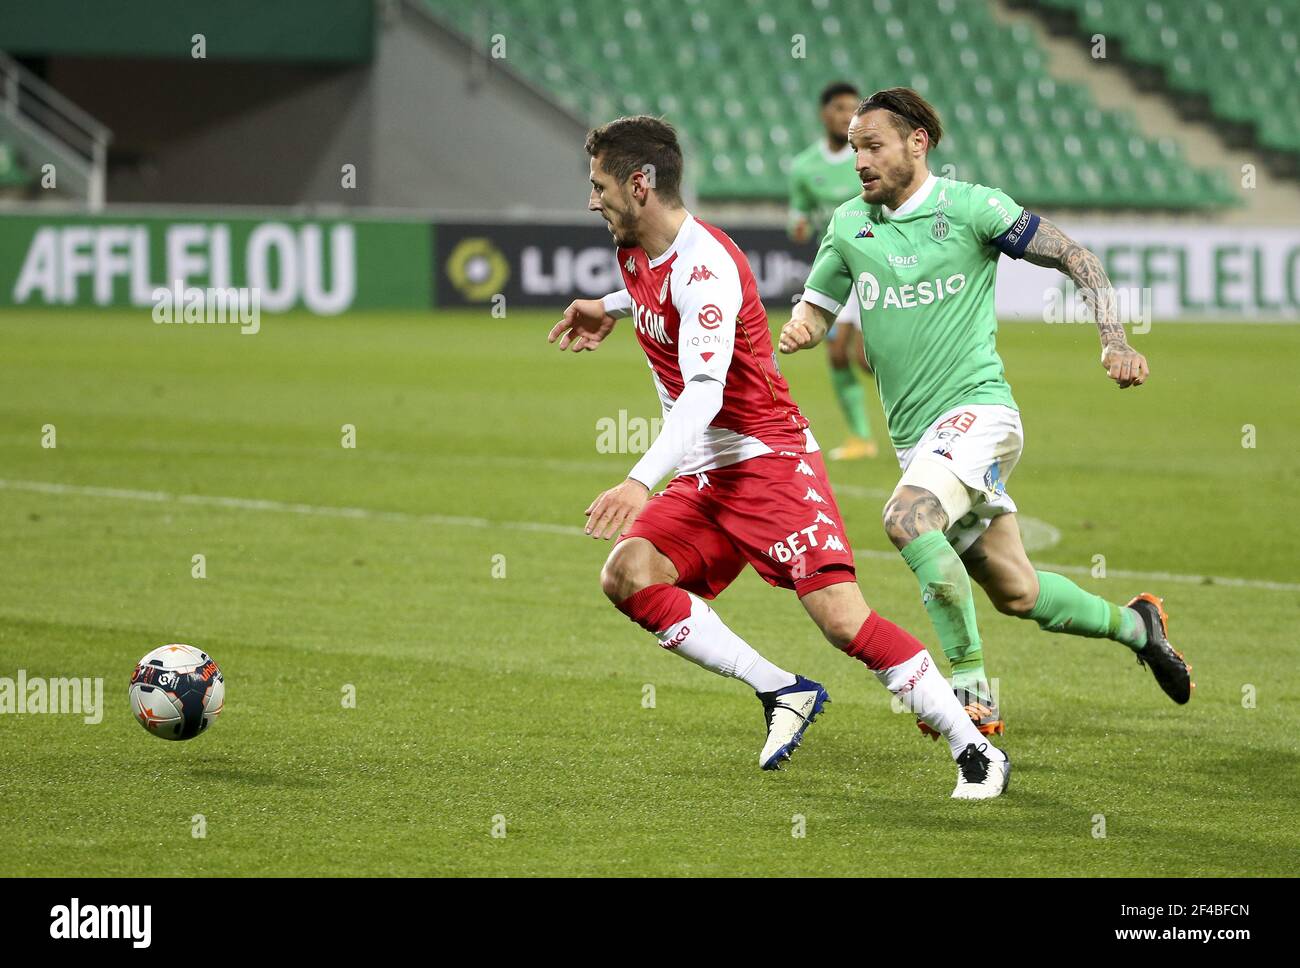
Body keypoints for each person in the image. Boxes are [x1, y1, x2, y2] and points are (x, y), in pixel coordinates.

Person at [548, 114, 1010, 798]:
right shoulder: (633, 248)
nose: (592, 200)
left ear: (639, 184)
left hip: (768, 461)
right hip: (709, 473)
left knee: (843, 622)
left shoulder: (706, 266)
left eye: (599, 185)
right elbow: (654, 291)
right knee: (628, 575)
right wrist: (610, 308)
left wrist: (639, 482)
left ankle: (974, 749)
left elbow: (704, 393)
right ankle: (781, 691)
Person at [779, 88, 1193, 739]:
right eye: (855, 147)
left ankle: (971, 690)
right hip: (921, 442)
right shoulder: (848, 225)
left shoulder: (973, 206)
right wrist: (802, 328)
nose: (860, 160)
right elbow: (817, 305)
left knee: (904, 517)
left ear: (918, 142)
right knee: (1018, 592)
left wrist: (1114, 339)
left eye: (873, 145)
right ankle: (1137, 625)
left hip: (980, 414)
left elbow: (1076, 257)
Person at [789, 81, 879, 461]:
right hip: (838, 268)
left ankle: (933, 405)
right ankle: (861, 437)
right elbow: (799, 216)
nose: (847, 116)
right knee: (839, 355)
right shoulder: (804, 166)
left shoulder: (870, 157)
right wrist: (800, 225)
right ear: (824, 114)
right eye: (840, 108)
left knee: (862, 356)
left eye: (853, 109)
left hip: (875, 263)